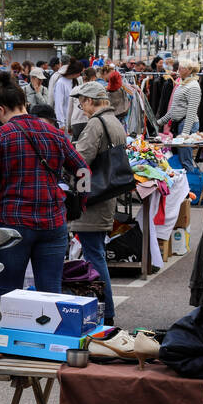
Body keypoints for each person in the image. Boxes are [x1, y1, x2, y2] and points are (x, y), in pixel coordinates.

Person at [0, 78, 86, 296]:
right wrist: (79, 205)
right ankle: (47, 330)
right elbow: (83, 171)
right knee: (51, 292)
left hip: (13, 221)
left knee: (10, 293)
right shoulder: (54, 133)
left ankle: (13, 330)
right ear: (24, 103)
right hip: (53, 221)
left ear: (0, 109)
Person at [67, 82, 127, 326]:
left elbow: (80, 160)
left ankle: (106, 312)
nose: (80, 106)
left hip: (93, 200)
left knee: (94, 256)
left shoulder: (95, 124)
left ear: (91, 100)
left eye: (81, 101)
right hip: (106, 196)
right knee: (96, 253)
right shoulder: (114, 121)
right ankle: (105, 311)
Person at [162, 59, 203, 173]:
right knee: (183, 157)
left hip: (187, 123)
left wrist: (185, 132)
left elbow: (191, 111)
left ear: (189, 70)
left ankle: (190, 185)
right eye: (179, 67)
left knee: (185, 159)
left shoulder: (192, 86)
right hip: (181, 123)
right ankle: (187, 185)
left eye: (182, 68)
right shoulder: (183, 83)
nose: (179, 70)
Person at [49, 60, 81, 130]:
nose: (80, 74)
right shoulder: (61, 83)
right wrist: (61, 123)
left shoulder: (74, 81)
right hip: (64, 120)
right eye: (79, 72)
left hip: (73, 119)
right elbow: (58, 104)